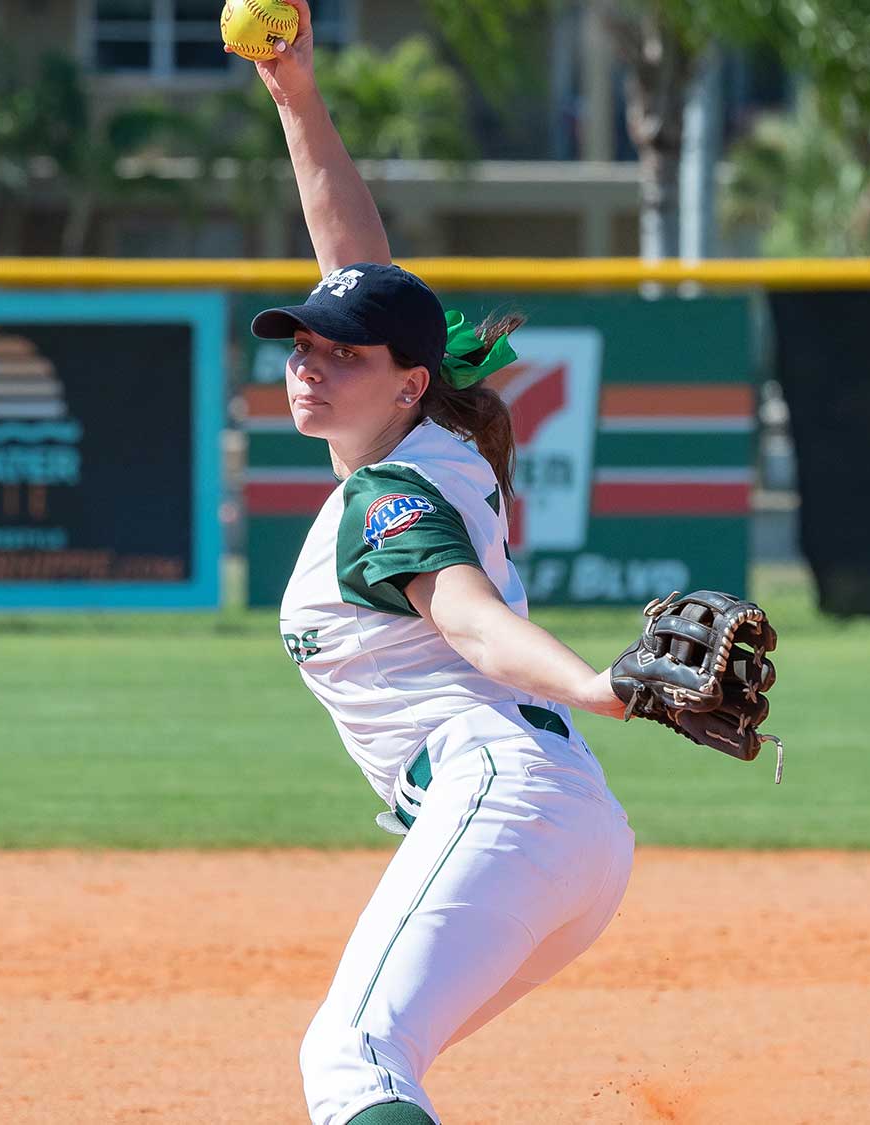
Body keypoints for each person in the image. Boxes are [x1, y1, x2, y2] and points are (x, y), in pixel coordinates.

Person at [235, 7, 636, 1122]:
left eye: (340, 356)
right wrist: (299, 103)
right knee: (381, 1063)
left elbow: (464, 618)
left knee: (350, 1058)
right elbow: (356, 266)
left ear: (406, 379)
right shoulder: (431, 435)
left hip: (501, 794)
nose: (309, 367)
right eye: (303, 347)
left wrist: (595, 684)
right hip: (574, 834)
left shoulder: (393, 490)